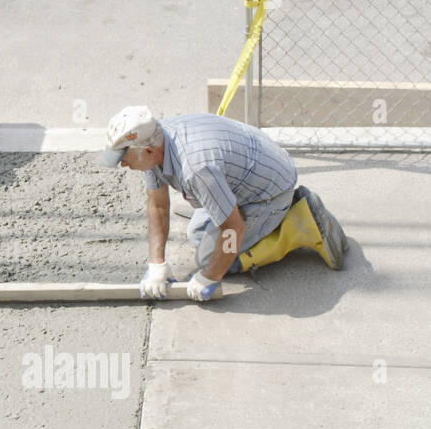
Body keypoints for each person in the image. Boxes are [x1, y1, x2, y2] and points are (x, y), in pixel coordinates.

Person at [100, 106, 348, 302]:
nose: (122, 164)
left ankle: (296, 224)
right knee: (196, 233)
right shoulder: (155, 141)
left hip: (268, 192)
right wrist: (157, 264)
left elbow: (233, 228)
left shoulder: (196, 169)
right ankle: (224, 211)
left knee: (210, 258)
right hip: (245, 173)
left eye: (125, 157)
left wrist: (210, 277)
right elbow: (158, 206)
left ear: (149, 152)